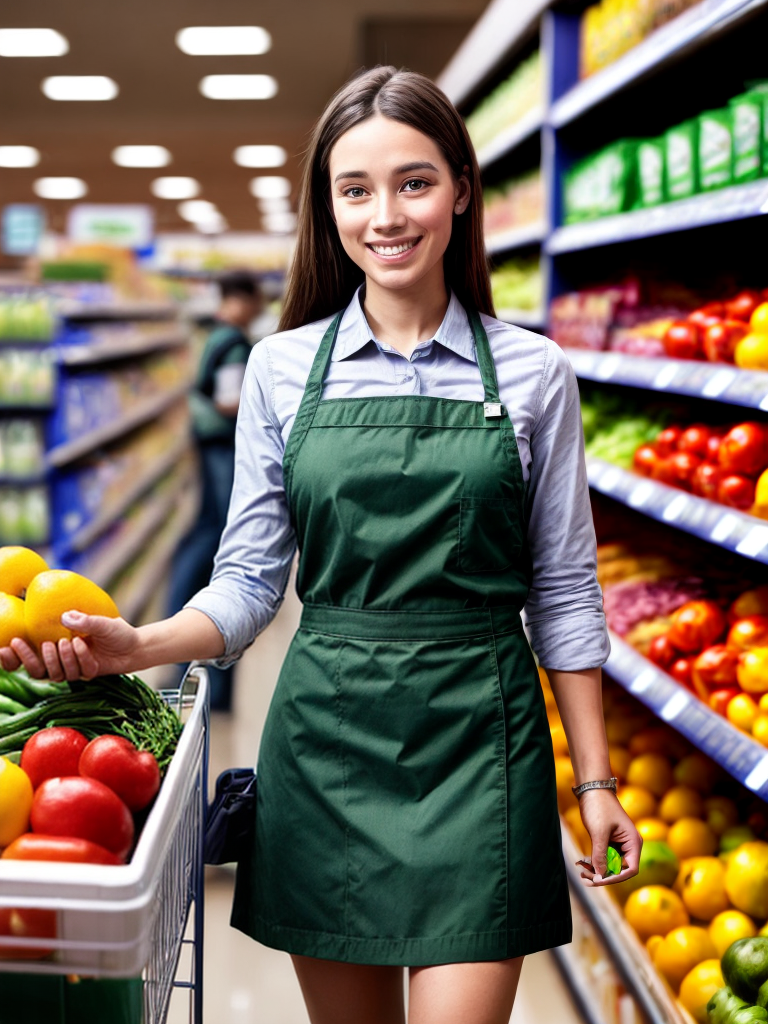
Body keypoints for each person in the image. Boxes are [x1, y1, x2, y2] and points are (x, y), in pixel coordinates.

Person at [1, 67, 641, 1024]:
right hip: (328, 745)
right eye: (357, 189)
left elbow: (564, 590)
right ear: (329, 206)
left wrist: (593, 781)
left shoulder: (535, 372)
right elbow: (252, 579)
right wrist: (141, 645)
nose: (387, 214)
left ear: (462, 190)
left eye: (414, 182)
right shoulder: (282, 367)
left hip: (482, 739)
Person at [166, 270, 264, 710]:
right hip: (224, 446)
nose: (260, 309)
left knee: (205, 534)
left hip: (208, 445)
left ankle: (180, 644)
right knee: (223, 539)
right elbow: (230, 400)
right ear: (240, 299)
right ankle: (196, 658)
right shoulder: (234, 343)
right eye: (256, 300)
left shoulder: (211, 336)